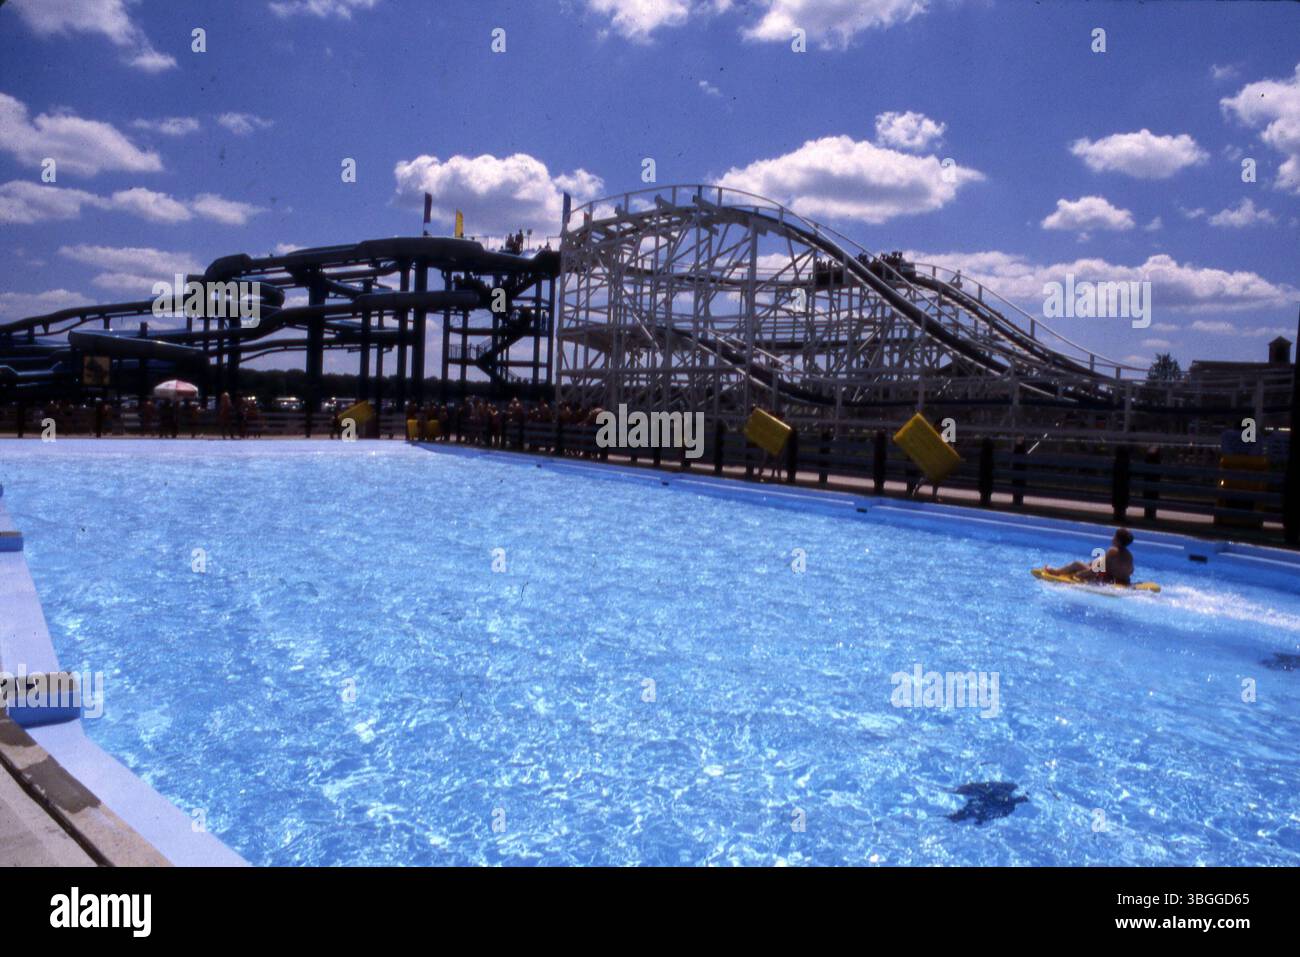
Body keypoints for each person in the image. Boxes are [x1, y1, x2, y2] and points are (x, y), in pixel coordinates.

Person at [1047, 528, 1135, 586]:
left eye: (1114, 536)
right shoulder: (1129, 555)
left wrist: (1079, 575)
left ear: (1117, 540)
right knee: (1098, 560)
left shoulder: (1113, 551)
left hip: (1109, 582)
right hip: (1125, 582)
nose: (1112, 538)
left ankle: (1056, 572)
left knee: (1076, 564)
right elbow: (1131, 571)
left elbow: (1094, 571)